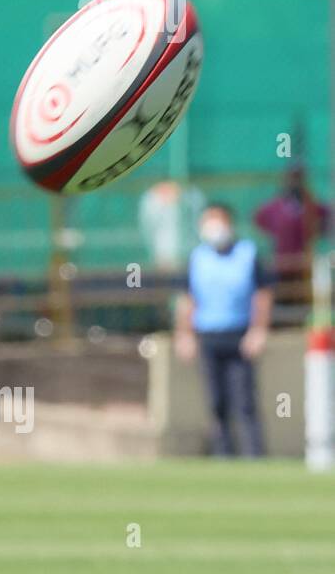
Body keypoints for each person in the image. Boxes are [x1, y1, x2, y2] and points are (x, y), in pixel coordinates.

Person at [174, 202, 275, 457]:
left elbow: (262, 295)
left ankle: (254, 457)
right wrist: (184, 334)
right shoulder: (197, 257)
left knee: (245, 401)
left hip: (240, 334)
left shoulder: (247, 253)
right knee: (216, 402)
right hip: (208, 335)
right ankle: (223, 456)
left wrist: (259, 330)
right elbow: (187, 299)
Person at [253, 164, 329, 308]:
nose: (295, 182)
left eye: (298, 178)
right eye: (292, 177)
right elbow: (260, 219)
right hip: (282, 259)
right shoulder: (275, 206)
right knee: (282, 292)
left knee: (304, 293)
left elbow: (326, 217)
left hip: (304, 260)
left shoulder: (310, 205)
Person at [139, 179, 205, 274]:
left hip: (188, 255)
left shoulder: (192, 196)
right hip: (163, 256)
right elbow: (148, 228)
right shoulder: (150, 200)